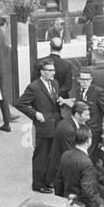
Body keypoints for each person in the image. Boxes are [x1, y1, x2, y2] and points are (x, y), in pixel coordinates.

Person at [16, 58, 62, 192]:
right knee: (41, 155)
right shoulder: (34, 87)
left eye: (54, 70)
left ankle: (48, 181)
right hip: (43, 126)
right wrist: (35, 113)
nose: (53, 72)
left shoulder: (55, 84)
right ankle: (38, 184)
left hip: (55, 124)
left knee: (52, 155)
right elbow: (20, 103)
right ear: (42, 72)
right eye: (50, 70)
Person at [59, 124, 101, 207]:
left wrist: (59, 200)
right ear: (88, 141)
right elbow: (87, 190)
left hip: (66, 200)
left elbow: (59, 180)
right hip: (82, 206)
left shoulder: (65, 155)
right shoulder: (86, 163)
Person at [52, 98, 89, 187]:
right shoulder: (69, 130)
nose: (89, 118)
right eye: (86, 115)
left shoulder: (68, 122)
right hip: (63, 172)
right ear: (77, 115)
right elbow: (71, 155)